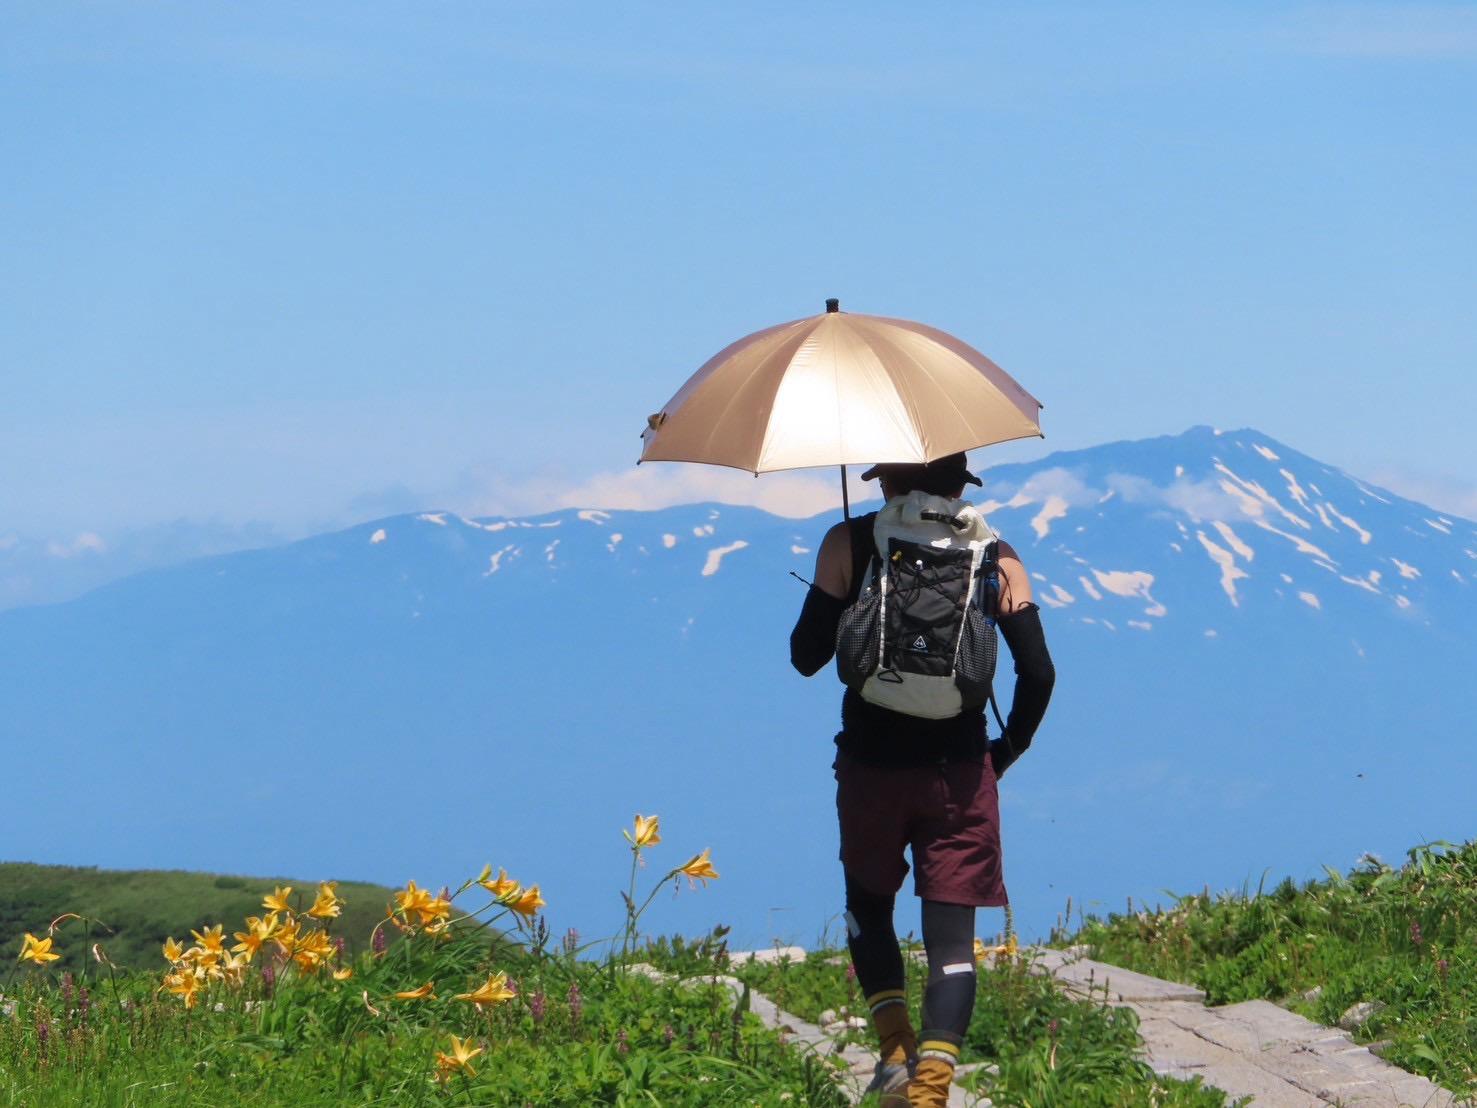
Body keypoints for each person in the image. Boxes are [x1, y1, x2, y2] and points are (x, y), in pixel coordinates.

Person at [789, 452, 1056, 1108]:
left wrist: (851, 587)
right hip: (960, 775)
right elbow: (1039, 672)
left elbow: (804, 658)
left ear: (884, 478)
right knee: (952, 946)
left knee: (868, 908)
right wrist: (1005, 751)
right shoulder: (995, 554)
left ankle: (894, 1052)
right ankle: (931, 1090)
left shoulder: (848, 541)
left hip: (870, 770)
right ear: (960, 482)